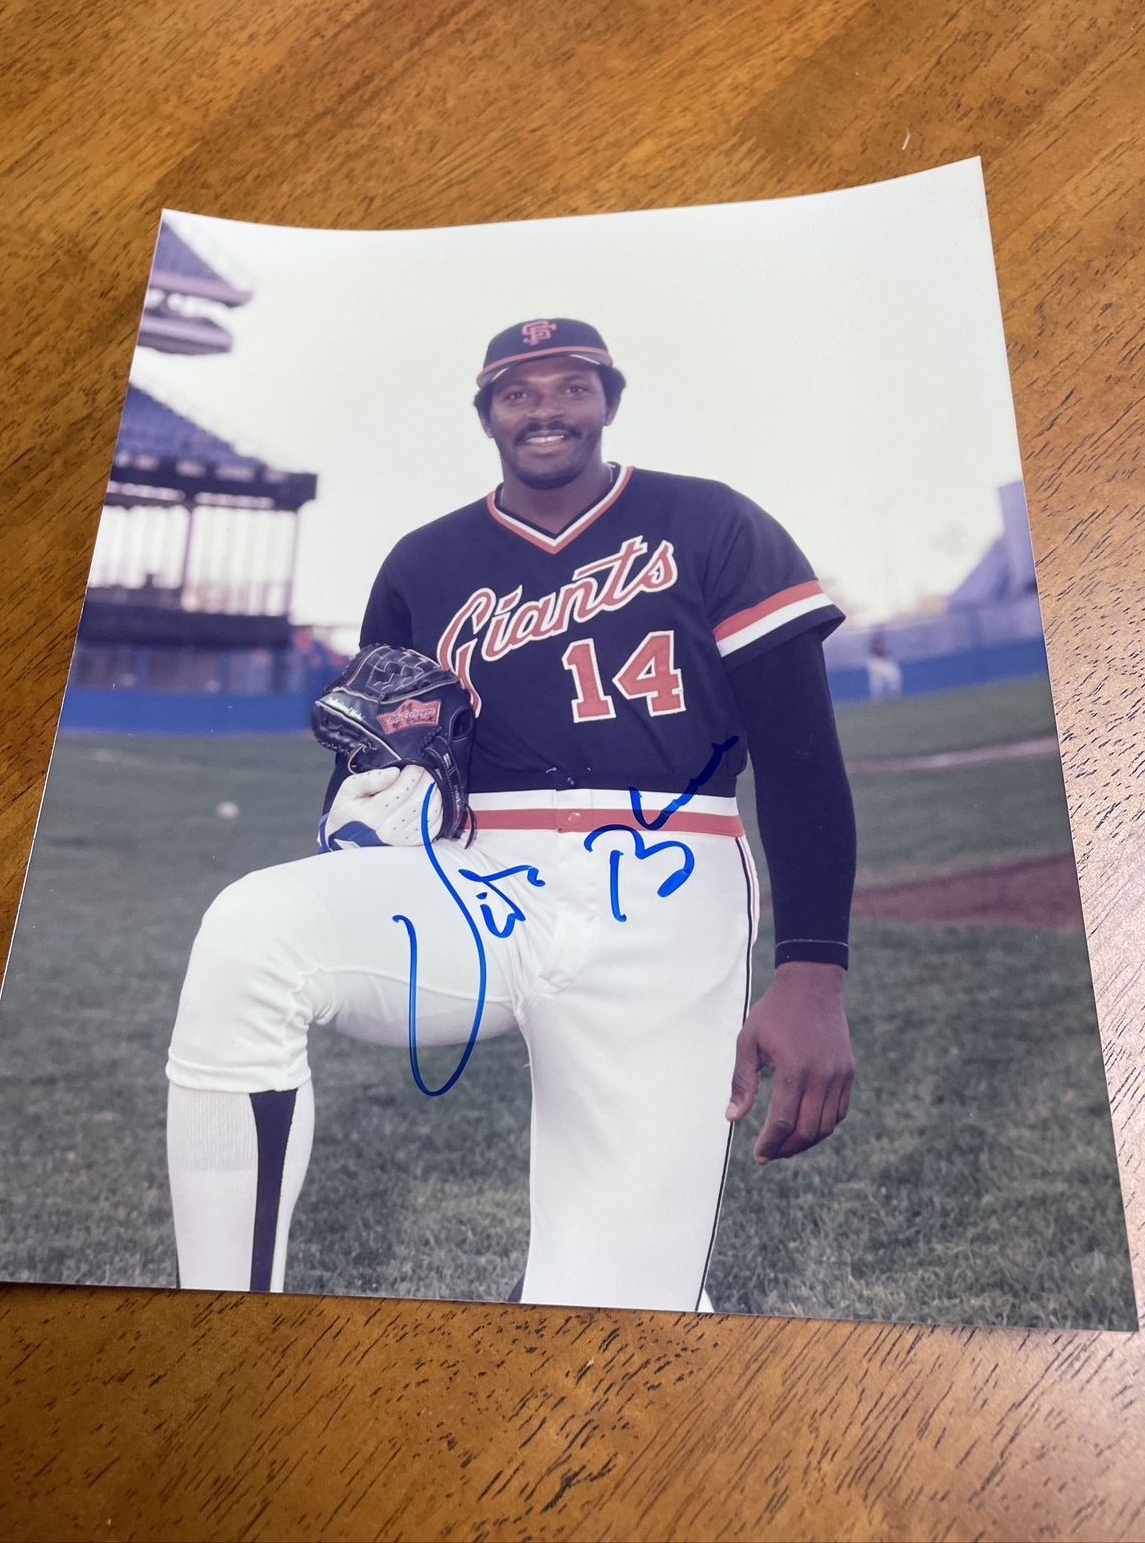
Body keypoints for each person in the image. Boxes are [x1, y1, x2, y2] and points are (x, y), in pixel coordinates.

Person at [165, 318, 857, 1312]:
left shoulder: (716, 525)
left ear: (609, 400)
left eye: (570, 385)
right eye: (518, 391)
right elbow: (379, 758)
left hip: (667, 885)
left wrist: (813, 974)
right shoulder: (423, 565)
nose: (545, 408)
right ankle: (217, 1335)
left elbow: (800, 758)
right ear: (486, 414)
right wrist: (367, 827)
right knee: (253, 934)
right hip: (480, 872)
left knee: (615, 1309)